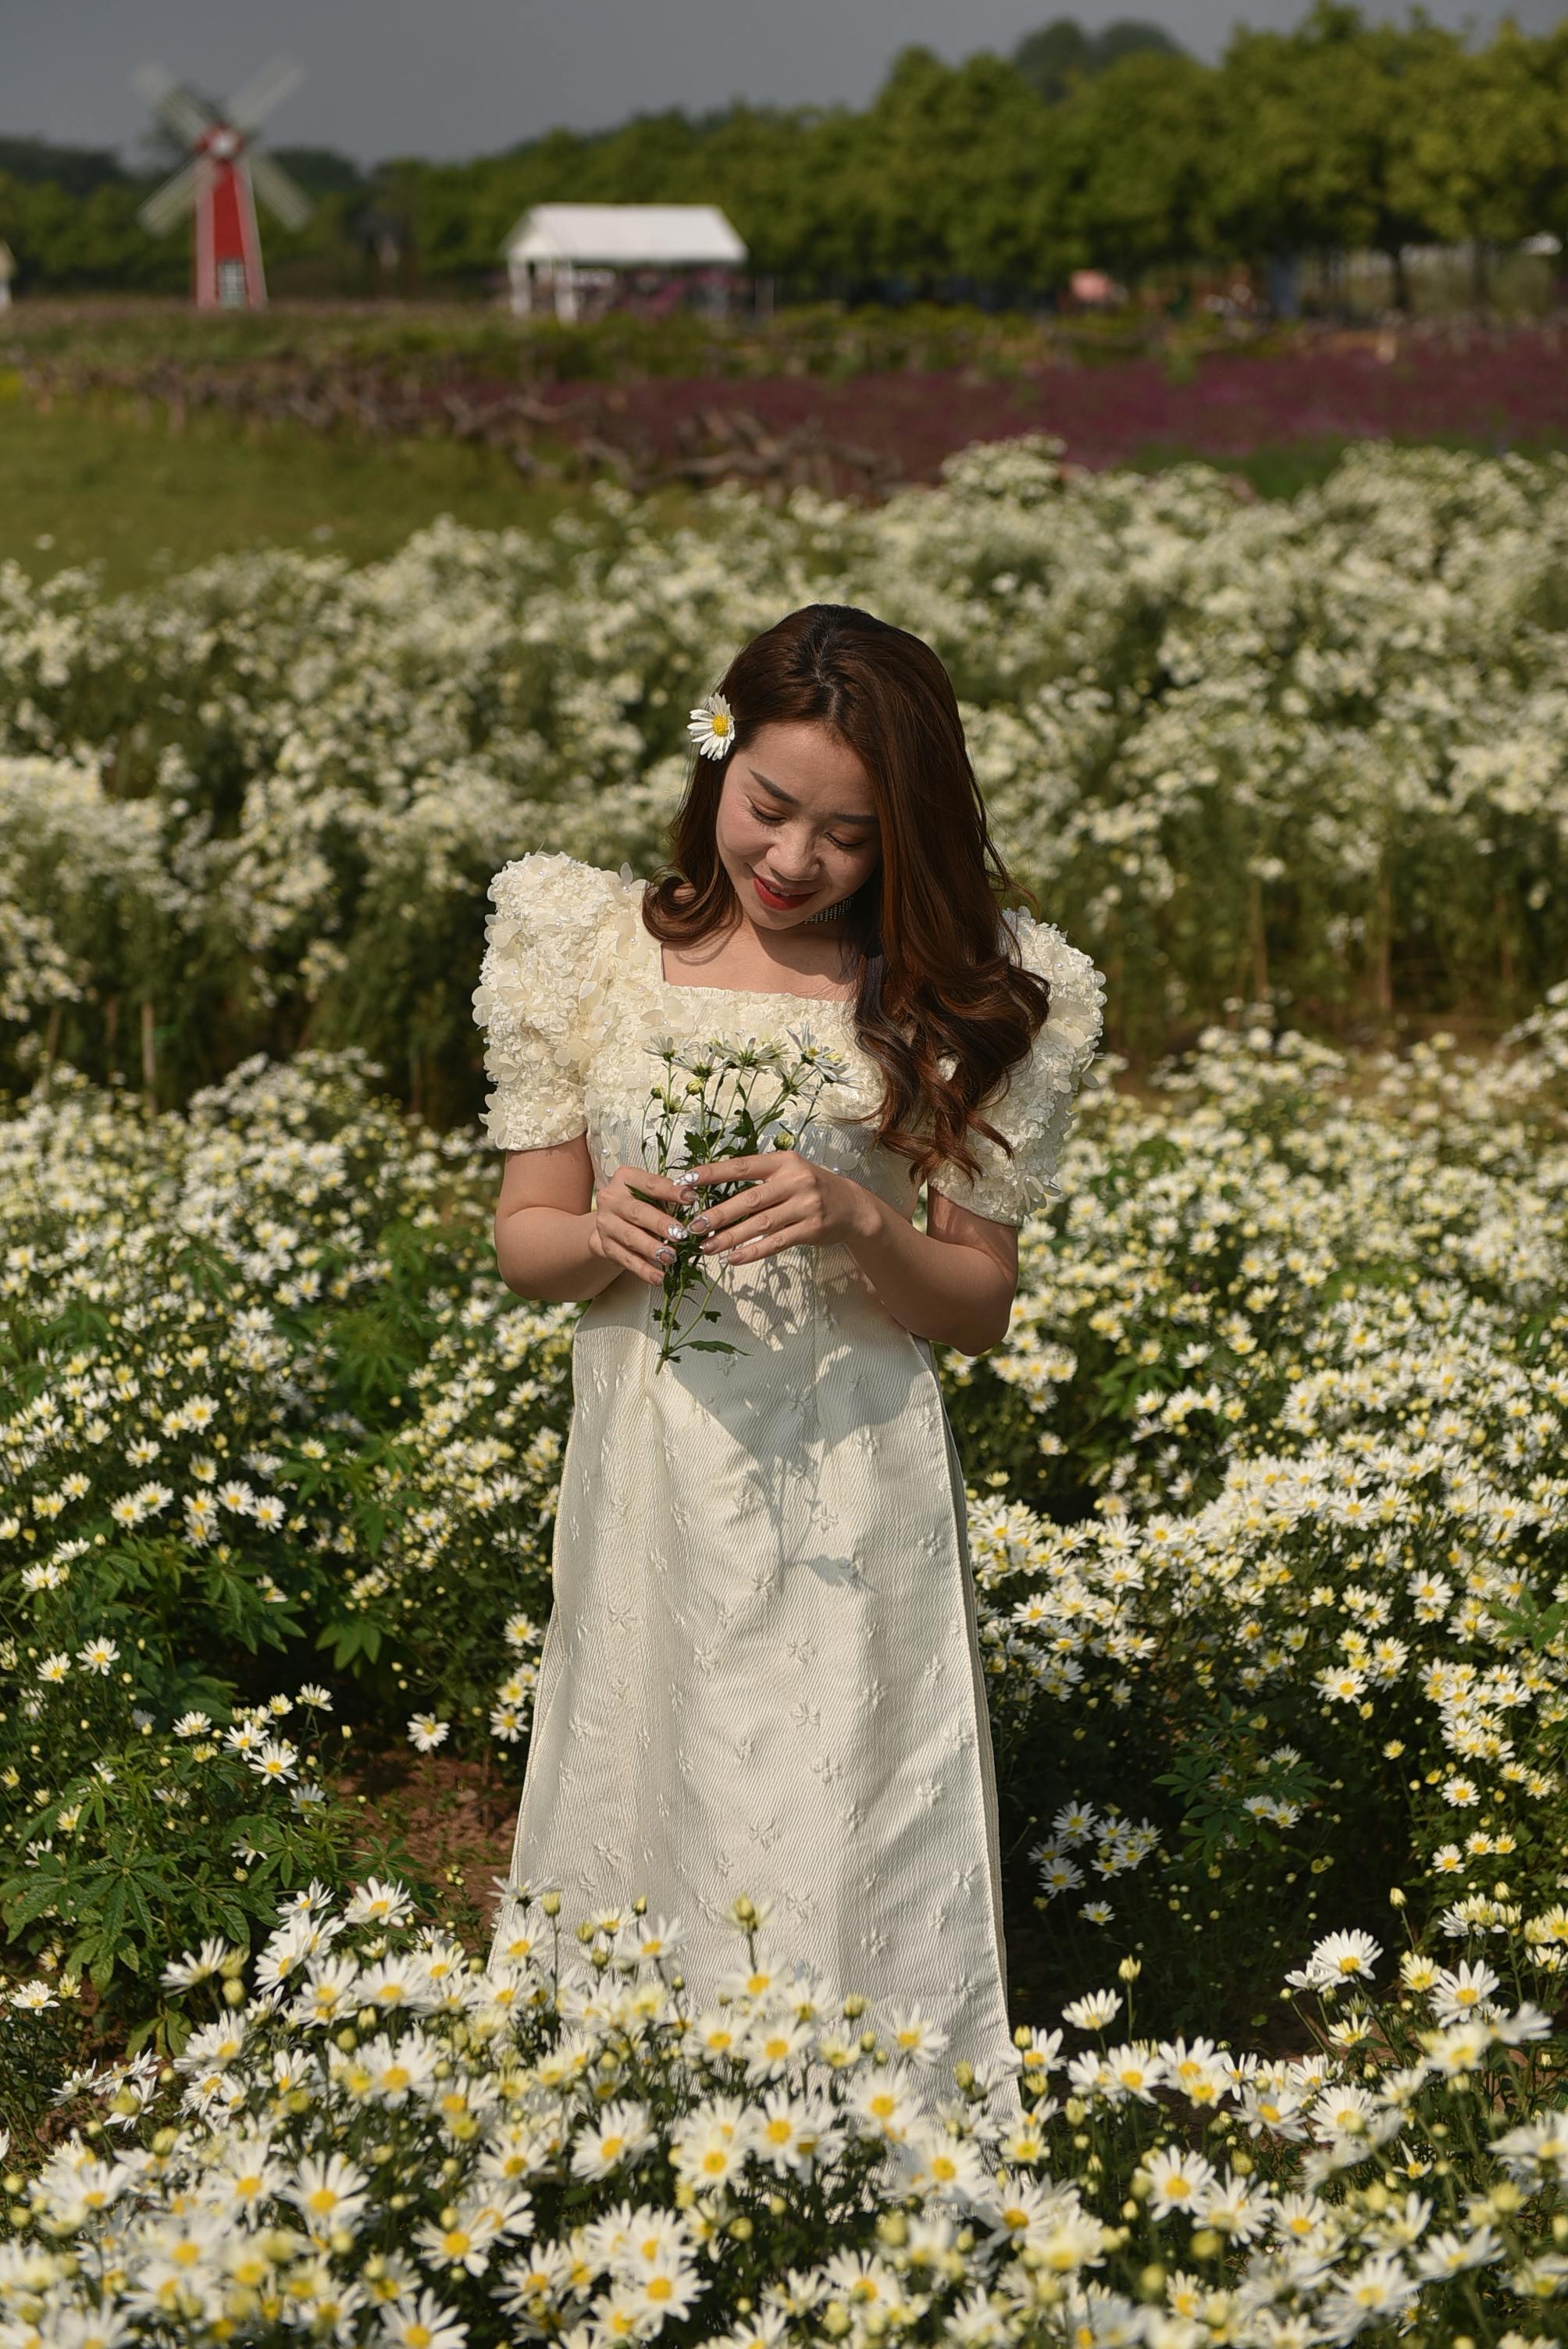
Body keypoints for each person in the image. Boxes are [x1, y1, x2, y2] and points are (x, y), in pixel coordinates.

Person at [472, 603, 1105, 2108]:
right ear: (717, 753)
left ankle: (851, 2152)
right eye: (770, 806)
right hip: (649, 1459)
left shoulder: (978, 992)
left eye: (849, 834)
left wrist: (855, 1222)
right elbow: (526, 1241)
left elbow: (976, 1304)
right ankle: (627, 2123)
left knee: (843, 1803)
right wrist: (604, 1231)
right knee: (652, 1776)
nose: (795, 859)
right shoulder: (583, 946)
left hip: (849, 1463)